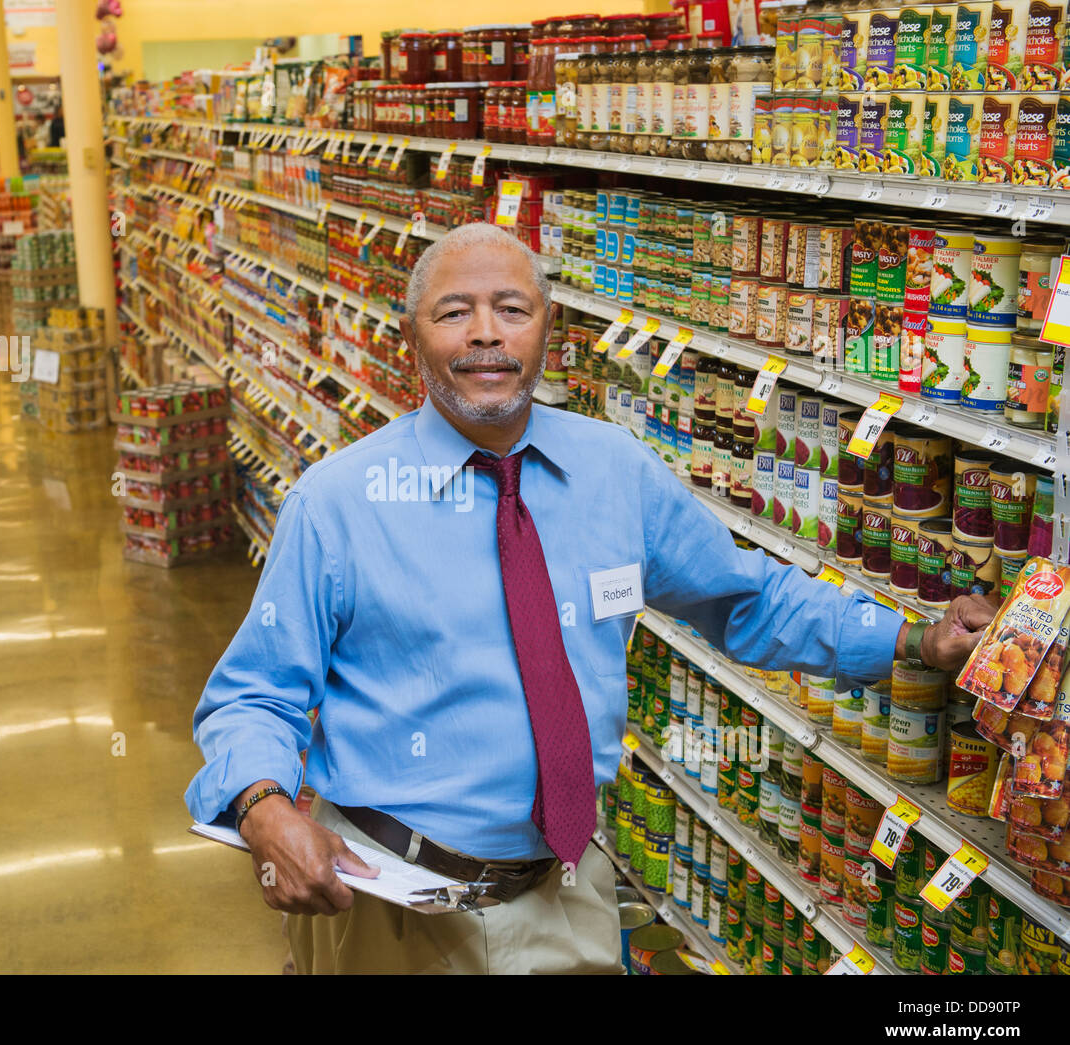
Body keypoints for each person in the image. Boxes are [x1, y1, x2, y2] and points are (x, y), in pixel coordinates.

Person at [184, 222, 996, 974]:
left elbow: (747, 599)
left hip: (565, 890)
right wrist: (262, 809)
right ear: (412, 341)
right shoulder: (338, 502)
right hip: (385, 901)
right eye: (453, 312)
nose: (486, 333)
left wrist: (915, 639)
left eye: (512, 308)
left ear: (548, 332)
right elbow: (254, 695)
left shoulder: (616, 472)